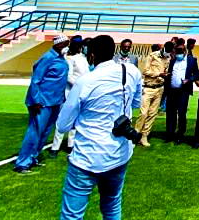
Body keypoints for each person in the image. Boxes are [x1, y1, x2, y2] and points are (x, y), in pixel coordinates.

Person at [55, 35, 142, 220]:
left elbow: (62, 126)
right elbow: (136, 103)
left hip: (87, 157)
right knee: (112, 206)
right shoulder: (132, 71)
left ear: (92, 55)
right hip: (119, 153)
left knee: (72, 214)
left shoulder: (86, 81)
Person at [14, 35, 70, 173]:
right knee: (35, 131)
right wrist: (36, 100)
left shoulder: (61, 59)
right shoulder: (47, 58)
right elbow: (36, 80)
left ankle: (33, 157)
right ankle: (22, 163)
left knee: (45, 132)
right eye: (65, 44)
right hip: (42, 102)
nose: (66, 47)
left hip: (55, 101)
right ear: (58, 44)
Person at [51, 37, 90, 156]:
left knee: (75, 121)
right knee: (64, 118)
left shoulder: (83, 58)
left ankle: (70, 145)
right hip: (70, 92)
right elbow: (68, 76)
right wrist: (80, 84)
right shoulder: (70, 59)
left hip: (81, 93)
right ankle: (55, 147)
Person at [133, 40, 170, 148]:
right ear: (164, 48)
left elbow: (165, 70)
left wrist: (165, 75)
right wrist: (159, 74)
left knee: (152, 114)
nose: (168, 54)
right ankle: (135, 135)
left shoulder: (168, 58)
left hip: (159, 89)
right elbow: (145, 71)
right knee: (143, 113)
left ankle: (144, 136)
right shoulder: (152, 55)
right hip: (148, 88)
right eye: (167, 51)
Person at [165, 39, 198, 145]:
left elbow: (197, 74)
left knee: (182, 113)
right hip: (172, 91)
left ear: (185, 51)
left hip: (183, 91)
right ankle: (170, 134)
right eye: (177, 51)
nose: (179, 53)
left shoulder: (192, 60)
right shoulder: (173, 61)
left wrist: (189, 80)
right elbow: (170, 73)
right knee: (170, 113)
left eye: (181, 51)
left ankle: (180, 135)